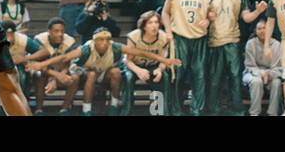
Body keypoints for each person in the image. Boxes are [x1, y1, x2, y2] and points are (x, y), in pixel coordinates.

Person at [28, 28, 176, 116]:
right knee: (92, 74)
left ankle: (114, 105)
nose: (104, 42)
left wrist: (164, 60)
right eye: (101, 39)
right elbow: (65, 57)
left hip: (104, 72)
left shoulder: (116, 47)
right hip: (83, 71)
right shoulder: (86, 48)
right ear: (94, 40)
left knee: (116, 72)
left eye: (107, 39)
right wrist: (42, 63)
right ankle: (86, 109)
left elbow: (140, 52)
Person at [206, 0, 266, 115]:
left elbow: (245, 17)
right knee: (215, 78)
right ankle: (213, 109)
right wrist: (206, 16)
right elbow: (201, 15)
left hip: (233, 39)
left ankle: (237, 109)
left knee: (235, 76)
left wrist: (257, 12)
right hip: (214, 40)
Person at [162, 0, 214, 116]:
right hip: (180, 38)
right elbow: (165, 13)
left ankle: (196, 110)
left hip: (200, 39)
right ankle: (177, 110)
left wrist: (209, 19)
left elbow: (212, 13)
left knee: (200, 76)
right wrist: (168, 32)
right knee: (178, 75)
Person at [0, 20, 48, 115]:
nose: (10, 36)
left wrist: (25, 58)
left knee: (20, 78)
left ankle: (19, 108)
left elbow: (44, 52)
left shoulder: (22, 39)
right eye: (7, 33)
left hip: (18, 67)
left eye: (11, 33)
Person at [121, 11, 172, 116]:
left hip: (152, 65)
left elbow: (164, 60)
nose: (154, 26)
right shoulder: (134, 36)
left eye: (156, 22)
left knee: (164, 76)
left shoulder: (163, 37)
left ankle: (159, 112)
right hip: (134, 66)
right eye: (150, 23)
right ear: (144, 26)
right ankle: (126, 111)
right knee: (128, 77)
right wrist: (139, 71)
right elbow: (127, 60)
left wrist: (159, 70)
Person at [32, 18, 78, 113]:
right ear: (49, 31)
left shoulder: (69, 40)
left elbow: (68, 62)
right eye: (56, 31)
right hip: (44, 70)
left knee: (75, 77)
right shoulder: (39, 40)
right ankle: (39, 110)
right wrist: (56, 76)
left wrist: (60, 76)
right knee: (39, 76)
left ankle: (65, 109)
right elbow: (40, 65)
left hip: (61, 69)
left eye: (62, 31)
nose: (60, 34)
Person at [243, 17, 283, 116]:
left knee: (277, 83)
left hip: (271, 74)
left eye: (264, 28)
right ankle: (254, 113)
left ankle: (273, 113)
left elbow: (278, 67)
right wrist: (261, 74)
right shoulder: (250, 44)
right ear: (255, 31)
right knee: (257, 81)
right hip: (252, 73)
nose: (262, 31)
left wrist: (268, 74)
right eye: (259, 29)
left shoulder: (276, 45)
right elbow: (249, 65)